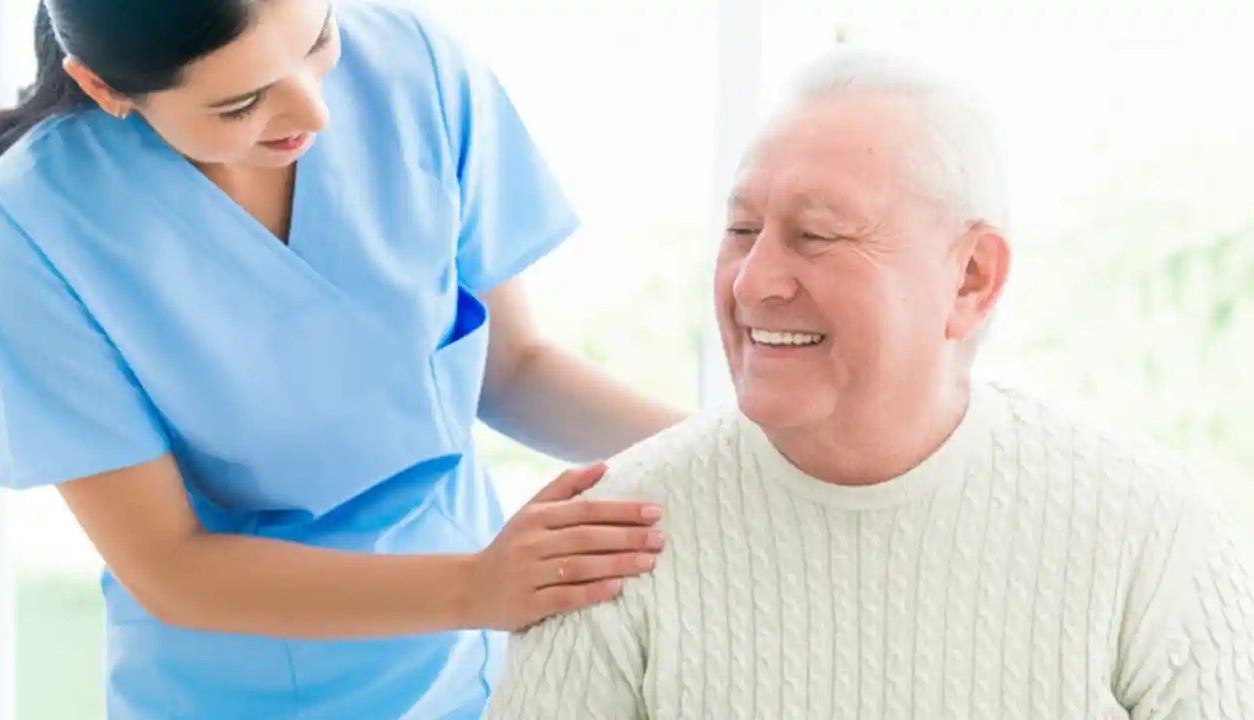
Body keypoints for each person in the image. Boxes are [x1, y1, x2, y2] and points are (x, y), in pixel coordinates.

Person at [486, 49, 1254, 719]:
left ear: (971, 279)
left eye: (816, 235)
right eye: (741, 231)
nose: (754, 282)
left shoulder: (1150, 531)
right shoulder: (609, 538)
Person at [0, 1, 682, 717]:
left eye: (319, 40)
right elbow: (169, 563)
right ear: (105, 88)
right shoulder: (30, 224)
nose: (315, 114)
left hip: (481, 667)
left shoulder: (414, 64)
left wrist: (743, 451)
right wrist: (475, 587)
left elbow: (514, 367)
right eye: (241, 103)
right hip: (241, 690)